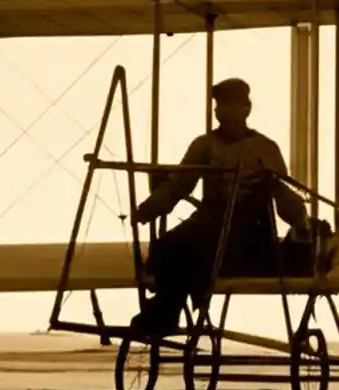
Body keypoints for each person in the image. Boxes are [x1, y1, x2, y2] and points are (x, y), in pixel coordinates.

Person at [129, 77, 312, 340]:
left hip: (249, 232)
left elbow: (286, 201)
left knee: (191, 249)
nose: (219, 111)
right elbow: (178, 186)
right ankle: (165, 312)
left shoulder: (265, 149)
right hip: (210, 223)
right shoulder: (204, 145)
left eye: (226, 105)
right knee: (168, 245)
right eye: (217, 105)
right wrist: (147, 211)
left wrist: (297, 216)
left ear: (245, 108)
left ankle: (163, 312)